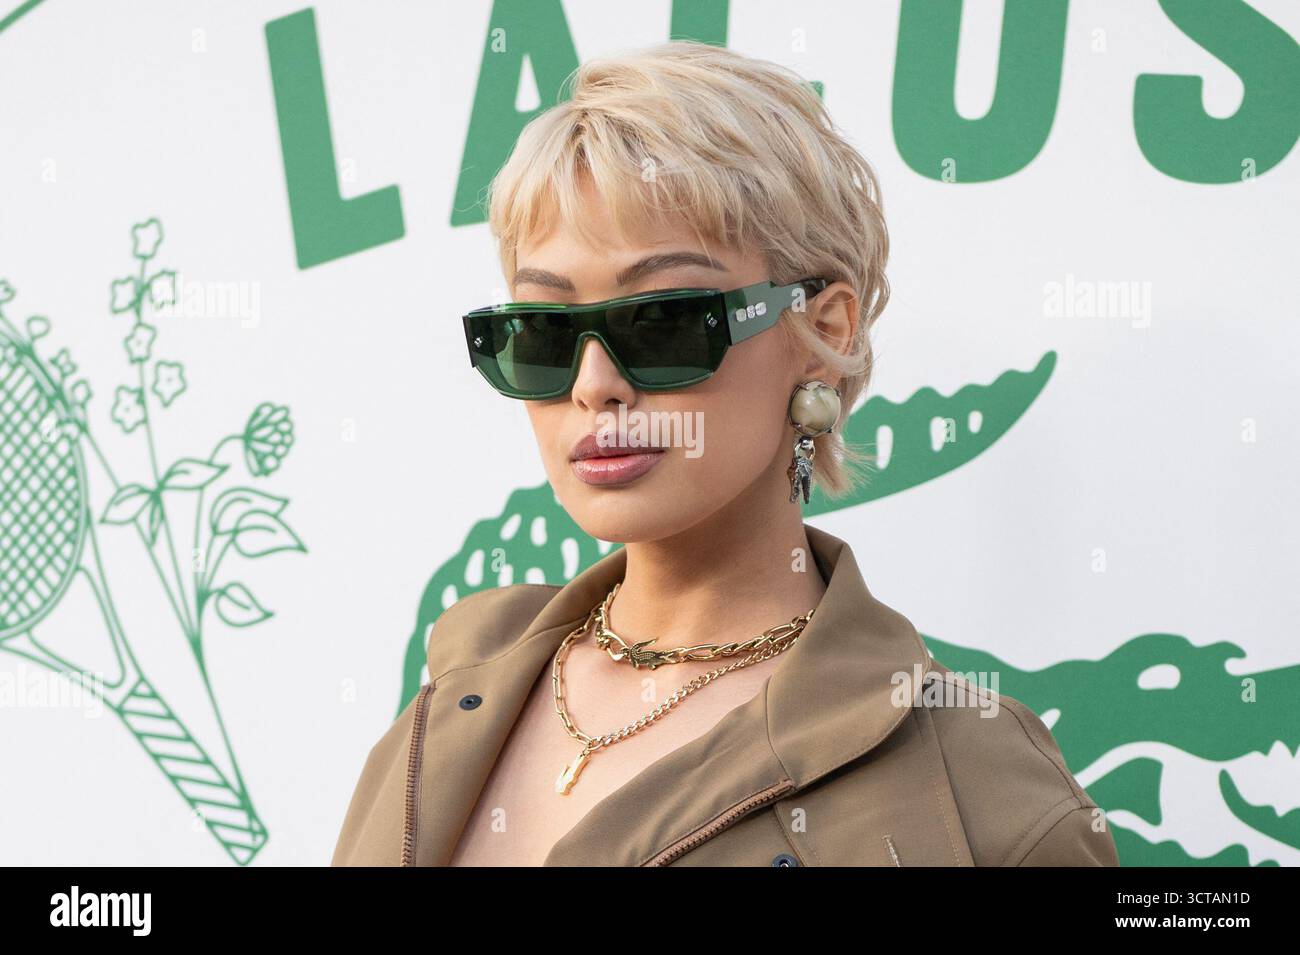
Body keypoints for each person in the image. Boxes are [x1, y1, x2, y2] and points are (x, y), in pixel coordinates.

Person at [331, 39, 1119, 867]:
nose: (595, 385)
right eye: (543, 332)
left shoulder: (972, 787)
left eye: (665, 322)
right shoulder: (444, 714)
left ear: (823, 331)